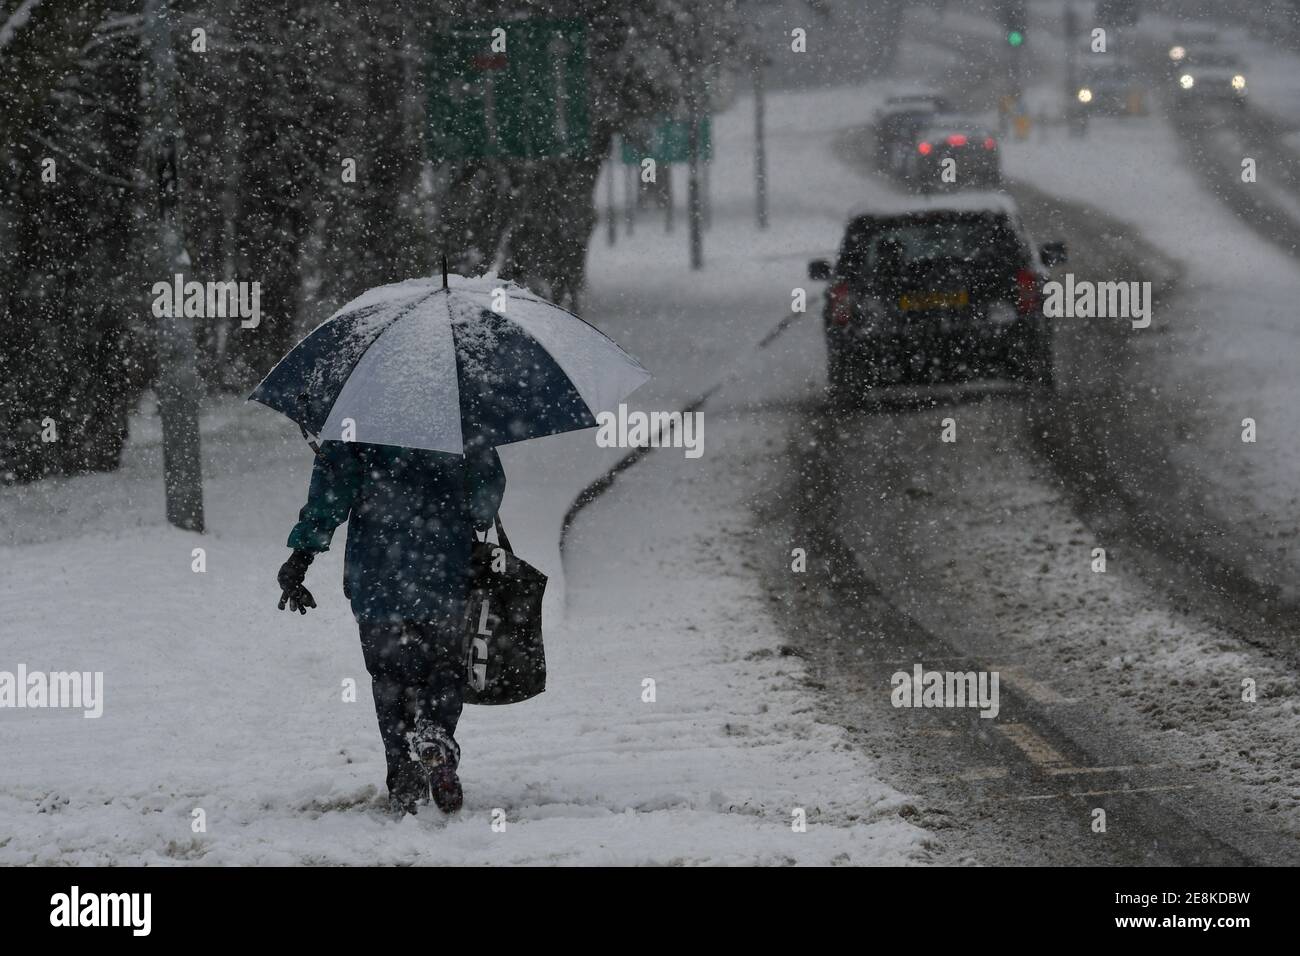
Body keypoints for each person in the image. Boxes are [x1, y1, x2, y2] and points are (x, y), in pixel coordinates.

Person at [275, 437, 505, 816]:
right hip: (444, 567)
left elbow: (330, 497)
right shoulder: (460, 415)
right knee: (445, 667)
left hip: (378, 571)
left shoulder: (357, 418)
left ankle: (404, 780)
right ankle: (435, 734)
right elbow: (485, 498)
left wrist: (300, 559)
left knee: (389, 676)